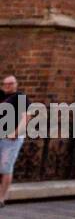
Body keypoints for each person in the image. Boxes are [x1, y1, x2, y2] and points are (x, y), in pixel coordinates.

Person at [1, 75, 35, 208]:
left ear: (16, 84)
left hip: (11, 138)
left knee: (6, 166)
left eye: (11, 83)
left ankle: (1, 198)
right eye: (5, 84)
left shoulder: (20, 97)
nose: (8, 86)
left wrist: (17, 132)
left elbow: (27, 117)